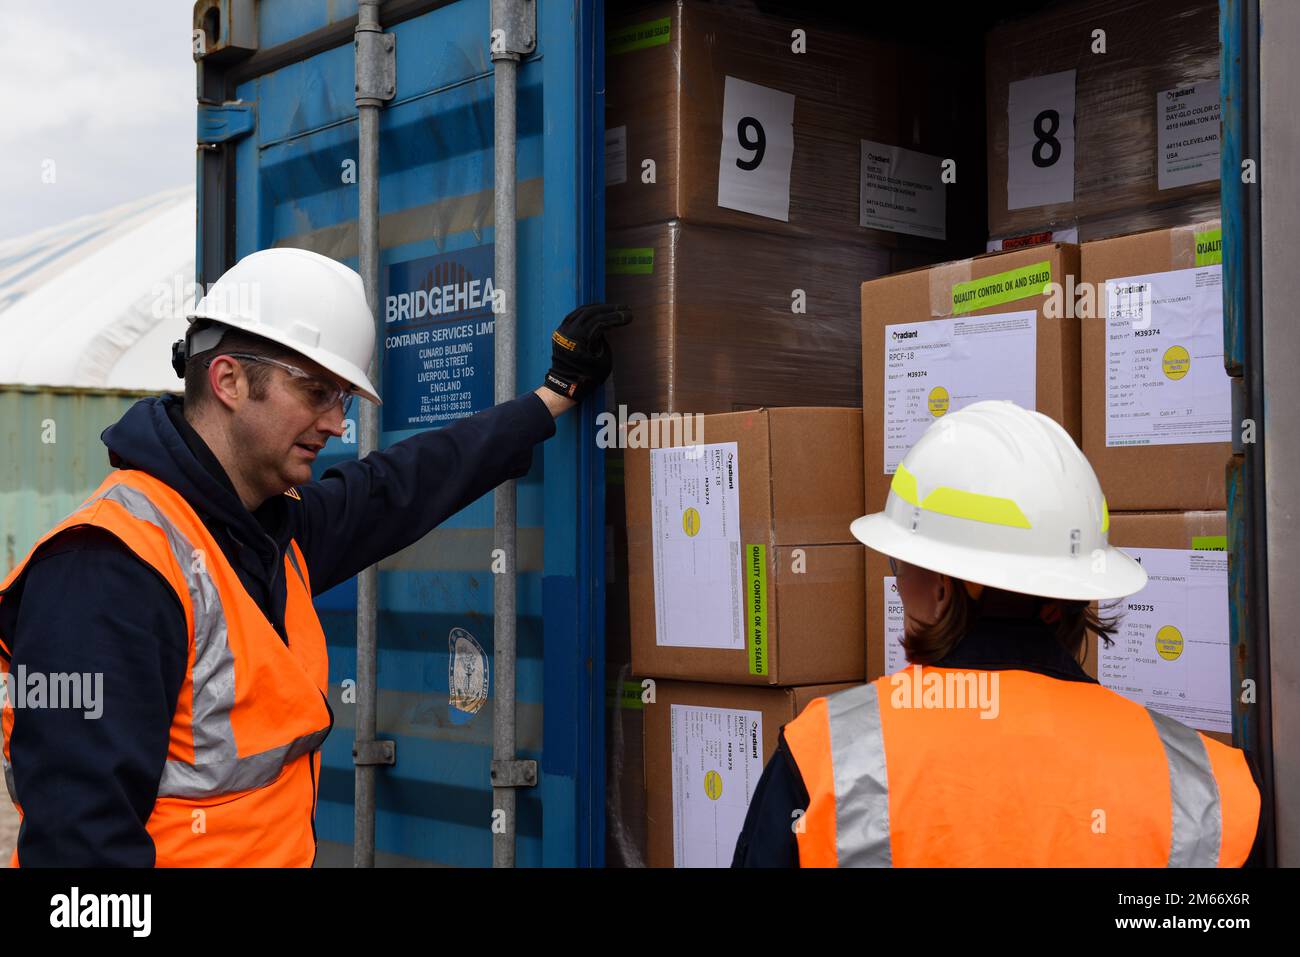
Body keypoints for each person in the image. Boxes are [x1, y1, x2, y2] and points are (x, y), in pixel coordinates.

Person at [0, 247, 630, 867]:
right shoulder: (109, 569)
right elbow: (76, 855)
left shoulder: (269, 532)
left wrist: (552, 397)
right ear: (229, 381)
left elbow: (403, 485)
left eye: (344, 400)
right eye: (317, 392)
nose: (337, 423)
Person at [733, 400, 1260, 867]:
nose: (895, 584)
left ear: (944, 589)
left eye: (899, 563)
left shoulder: (826, 758)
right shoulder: (1208, 789)